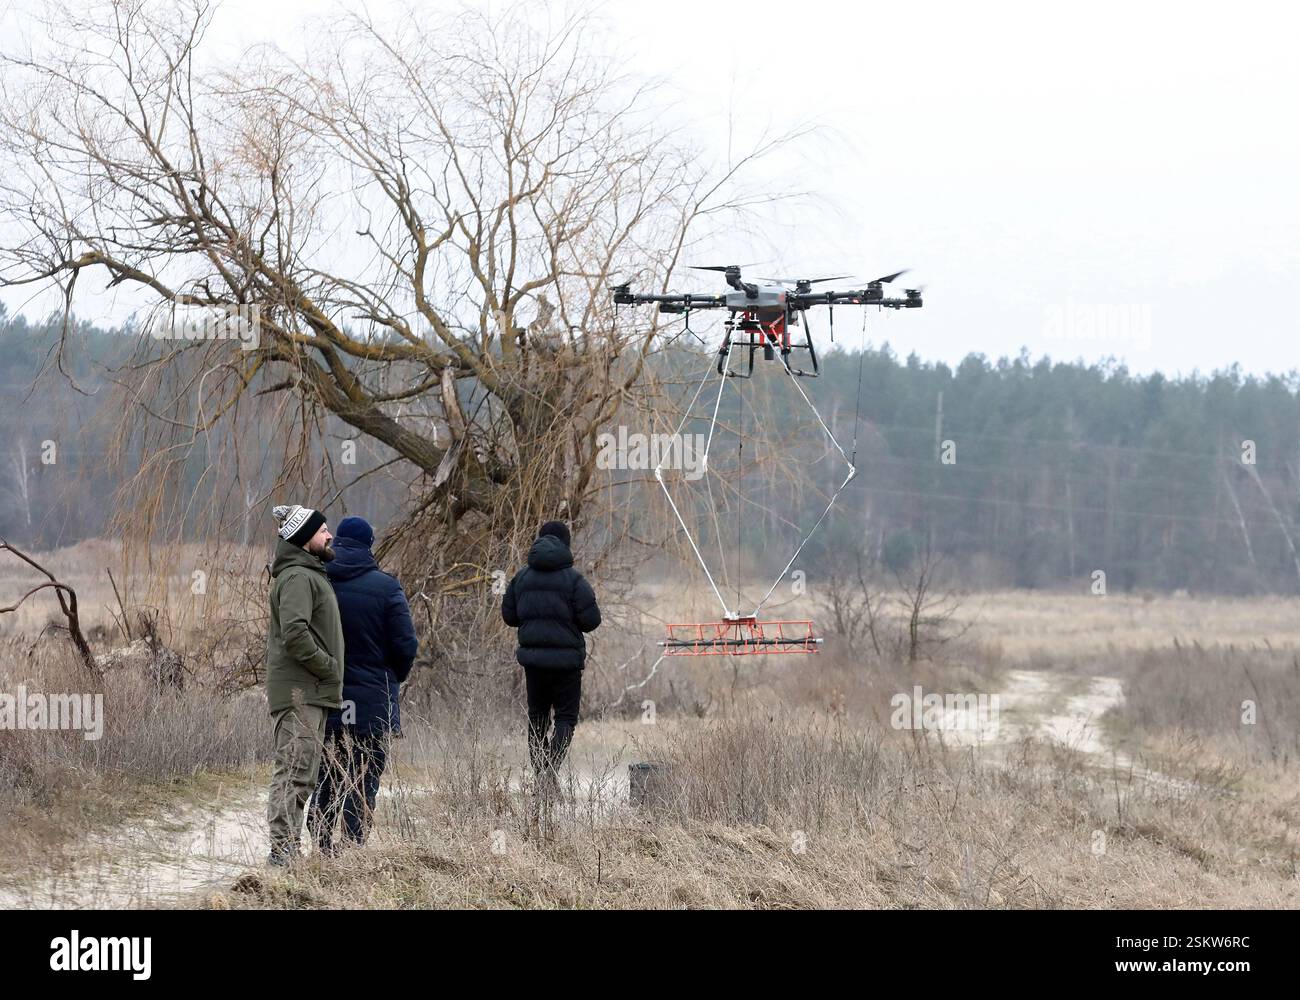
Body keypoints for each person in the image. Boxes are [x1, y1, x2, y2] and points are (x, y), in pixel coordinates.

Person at [308, 516, 418, 854]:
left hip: (326, 696)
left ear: (337, 541)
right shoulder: (386, 587)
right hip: (372, 699)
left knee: (326, 774)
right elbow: (406, 645)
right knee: (364, 776)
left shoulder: (316, 579)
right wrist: (392, 677)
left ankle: (322, 848)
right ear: (369, 545)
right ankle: (354, 849)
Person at [264, 503, 343, 867]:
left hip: (313, 690)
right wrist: (327, 666)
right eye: (323, 529)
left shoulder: (309, 573)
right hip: (301, 691)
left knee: (303, 773)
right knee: (294, 770)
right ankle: (282, 854)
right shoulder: (297, 575)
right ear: (302, 536)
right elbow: (294, 632)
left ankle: (288, 851)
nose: (330, 535)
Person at [501, 520, 601, 787]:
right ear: (566, 545)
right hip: (567, 665)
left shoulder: (520, 578)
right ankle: (550, 769)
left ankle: (540, 774)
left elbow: (509, 616)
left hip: (534, 664)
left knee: (537, 718)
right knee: (565, 718)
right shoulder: (575, 581)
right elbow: (592, 621)